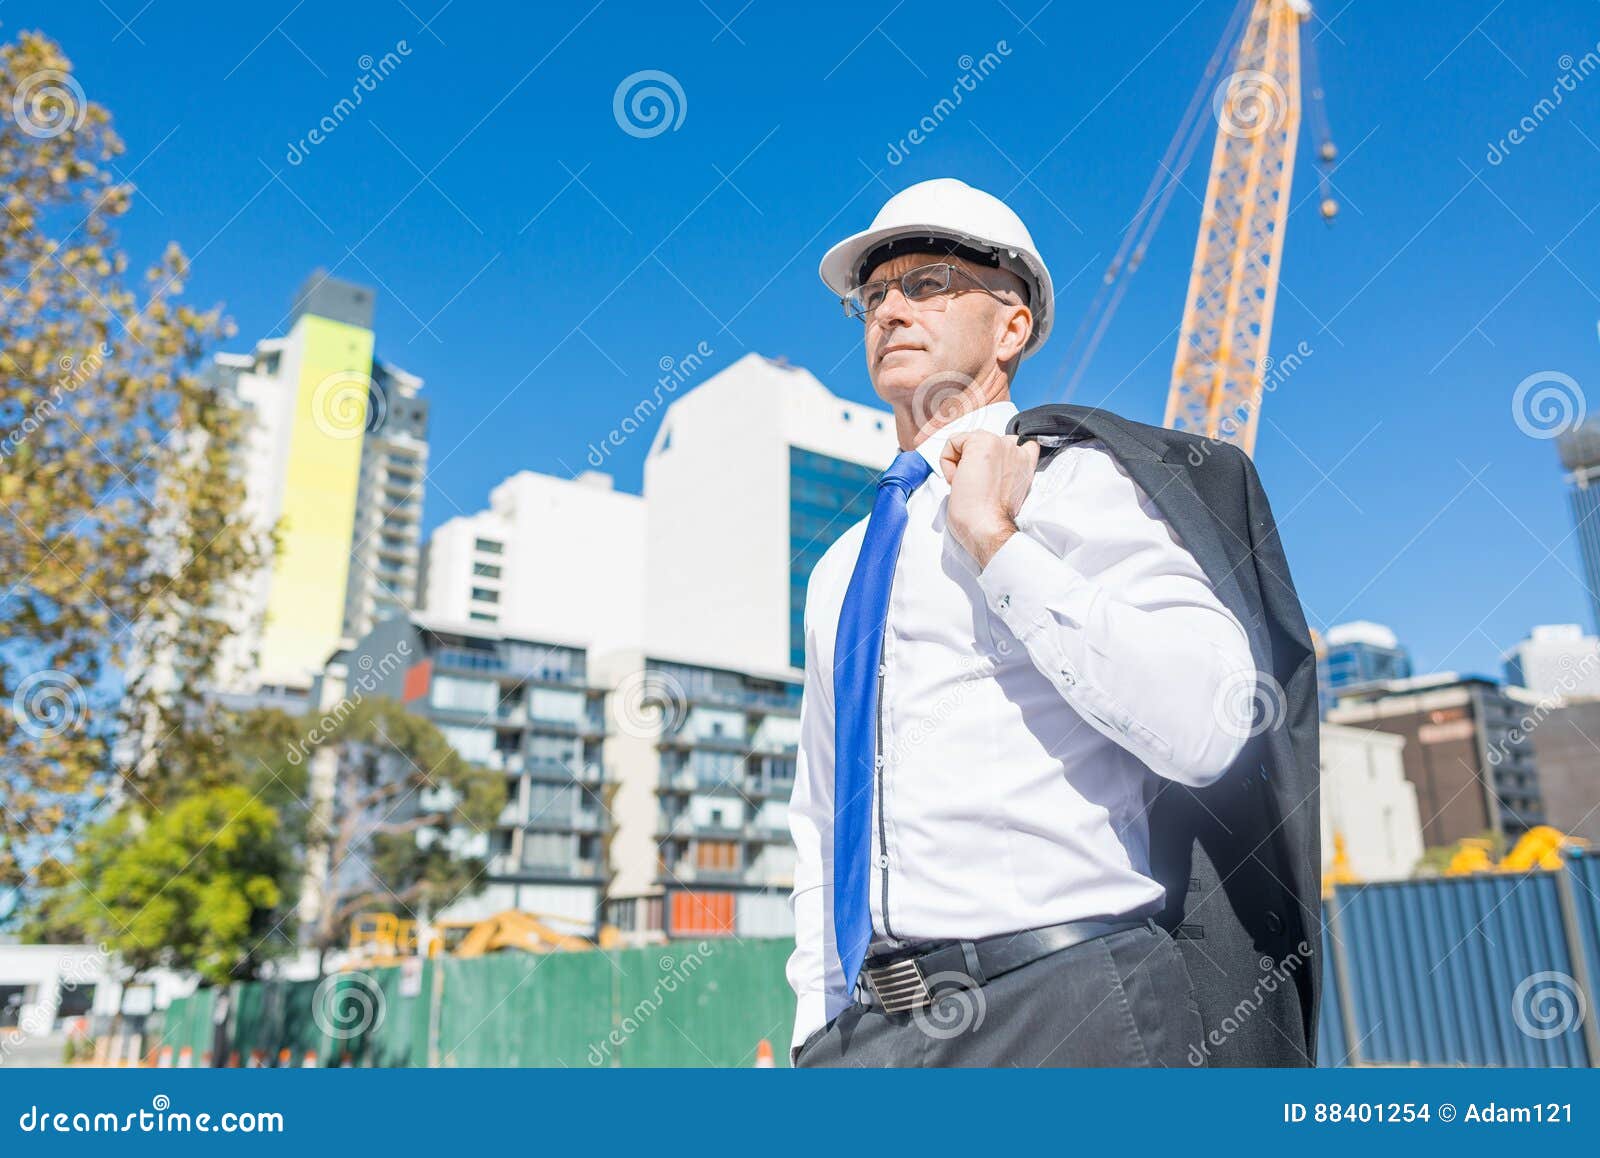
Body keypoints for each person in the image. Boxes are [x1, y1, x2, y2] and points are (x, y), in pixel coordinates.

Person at [786, 177, 1319, 1068]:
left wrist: (998, 543)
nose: (890, 310)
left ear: (1012, 325)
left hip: (1061, 1006)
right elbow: (822, 808)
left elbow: (1211, 723)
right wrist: (816, 1022)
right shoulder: (841, 569)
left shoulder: (1080, 485)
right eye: (874, 296)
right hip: (865, 1037)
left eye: (928, 283)